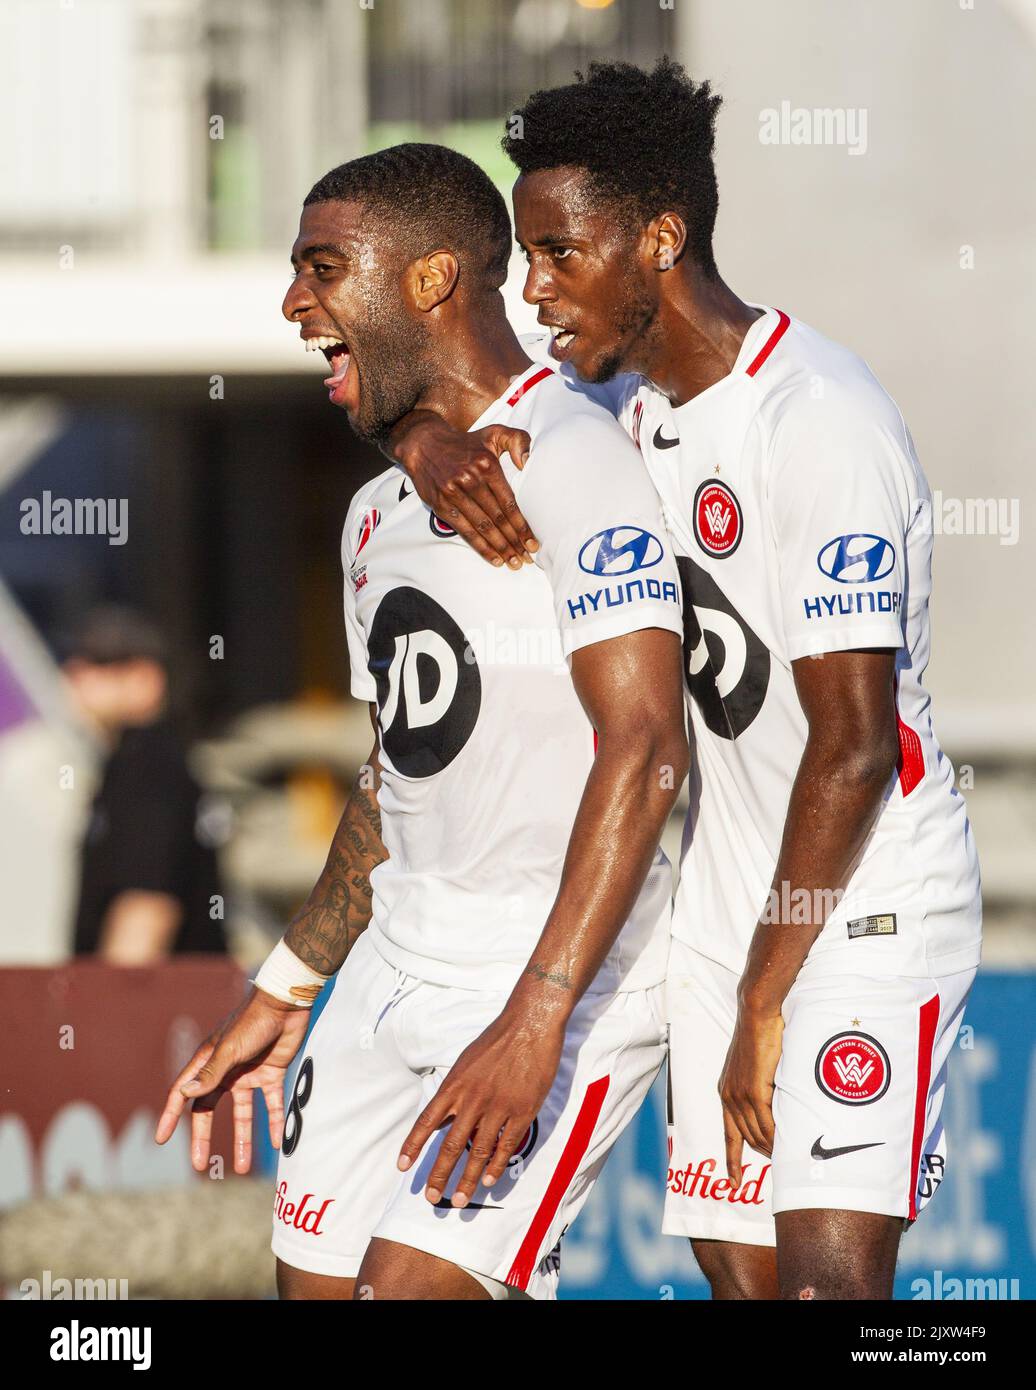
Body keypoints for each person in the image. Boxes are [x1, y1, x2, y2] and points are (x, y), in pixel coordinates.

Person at [388, 60, 983, 1301]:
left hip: (851, 908)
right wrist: (431, 440)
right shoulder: (615, 405)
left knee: (830, 1296)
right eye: (526, 255)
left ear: (659, 239)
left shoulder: (817, 420)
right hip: (717, 914)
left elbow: (853, 745)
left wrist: (769, 992)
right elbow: (422, 387)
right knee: (750, 1288)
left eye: (558, 253)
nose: (536, 289)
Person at [156, 143, 688, 1301]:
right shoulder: (373, 515)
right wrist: (286, 986)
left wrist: (536, 1016)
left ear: (433, 277)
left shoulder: (579, 457)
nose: (296, 302)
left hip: (554, 981)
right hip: (392, 970)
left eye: (324, 267)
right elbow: (395, 779)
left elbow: (648, 749)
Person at [65, 605, 225, 962]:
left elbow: (145, 910)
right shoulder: (140, 761)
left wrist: (103, 1011)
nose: (75, 672)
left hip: (158, 1009)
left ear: (145, 678)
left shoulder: (147, 764)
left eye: (101, 663)